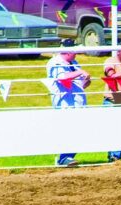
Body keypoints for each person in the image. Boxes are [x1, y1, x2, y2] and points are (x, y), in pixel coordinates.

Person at [46, 38, 91, 167]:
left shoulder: (74, 63)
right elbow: (62, 78)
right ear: (68, 51)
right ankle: (63, 158)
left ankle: (67, 157)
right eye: (74, 50)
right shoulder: (55, 62)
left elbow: (79, 83)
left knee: (79, 131)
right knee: (68, 130)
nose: (76, 52)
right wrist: (81, 72)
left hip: (77, 102)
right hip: (65, 103)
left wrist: (86, 80)